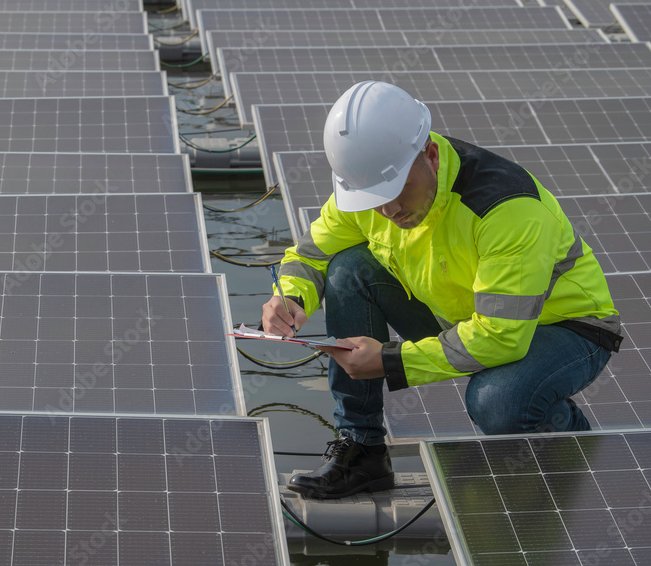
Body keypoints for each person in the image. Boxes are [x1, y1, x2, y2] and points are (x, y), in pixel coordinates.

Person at [262, 81, 621, 499]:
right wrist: (292, 297)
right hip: (459, 312)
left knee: (498, 401)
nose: (388, 211)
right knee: (349, 269)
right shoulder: (369, 191)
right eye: (373, 200)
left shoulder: (506, 209)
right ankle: (362, 453)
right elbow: (310, 254)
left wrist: (391, 361)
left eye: (396, 193)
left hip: (563, 327)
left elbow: (501, 336)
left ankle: (580, 461)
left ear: (430, 155)